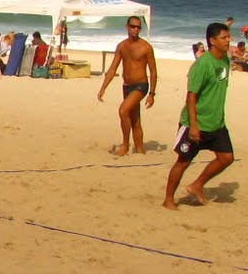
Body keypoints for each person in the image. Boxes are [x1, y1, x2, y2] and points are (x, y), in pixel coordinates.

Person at [163, 22, 235, 210]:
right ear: (212, 41)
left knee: (226, 158)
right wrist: (193, 126)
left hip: (216, 123)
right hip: (194, 123)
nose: (228, 40)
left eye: (228, 37)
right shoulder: (202, 65)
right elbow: (191, 96)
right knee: (183, 162)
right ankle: (168, 200)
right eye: (224, 38)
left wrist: (226, 25)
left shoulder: (225, 60)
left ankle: (197, 185)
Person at [97, 16, 158, 156]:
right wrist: (103, 87)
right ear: (127, 27)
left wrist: (152, 94)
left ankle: (125, 145)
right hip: (127, 86)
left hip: (141, 85)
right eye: (133, 26)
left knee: (123, 111)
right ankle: (140, 150)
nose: (136, 29)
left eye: (138, 27)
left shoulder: (146, 47)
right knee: (135, 119)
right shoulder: (122, 46)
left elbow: (153, 72)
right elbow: (113, 68)